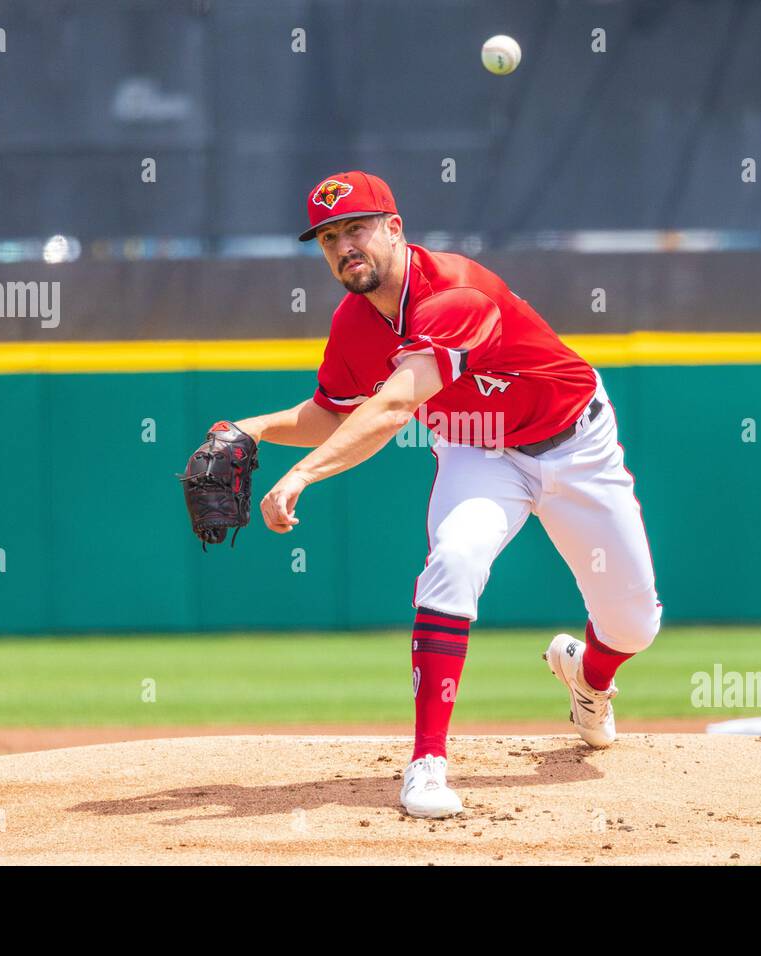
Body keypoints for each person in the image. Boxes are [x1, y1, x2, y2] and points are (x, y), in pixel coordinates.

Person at [230, 171, 661, 818]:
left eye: (357, 229)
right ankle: (427, 764)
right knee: (452, 563)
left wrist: (301, 475)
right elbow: (332, 410)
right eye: (328, 238)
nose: (344, 247)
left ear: (395, 229)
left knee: (635, 624)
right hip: (478, 449)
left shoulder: (454, 292)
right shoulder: (355, 324)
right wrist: (250, 430)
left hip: (577, 445)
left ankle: (589, 677)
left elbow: (394, 405)